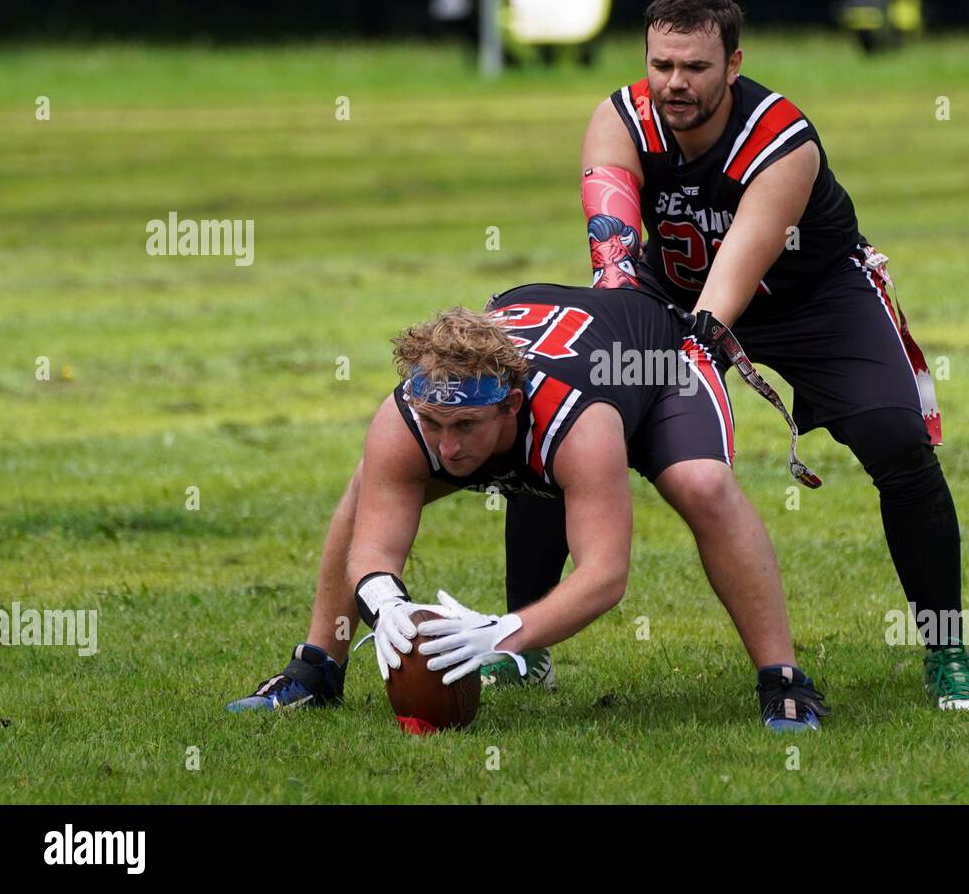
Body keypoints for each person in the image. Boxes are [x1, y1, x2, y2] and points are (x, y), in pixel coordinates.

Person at [503, 0, 969, 710]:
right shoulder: (619, 119)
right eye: (662, 64)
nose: (675, 82)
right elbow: (614, 260)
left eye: (695, 67)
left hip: (809, 299)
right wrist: (614, 349)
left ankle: (947, 647)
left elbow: (734, 277)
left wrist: (690, 339)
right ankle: (523, 644)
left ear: (733, 65)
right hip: (666, 293)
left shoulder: (781, 138)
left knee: (896, 441)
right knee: (559, 414)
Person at [226, 282, 830, 731]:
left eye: (465, 425)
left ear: (512, 406)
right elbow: (373, 546)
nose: (447, 446)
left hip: (655, 363)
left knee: (701, 484)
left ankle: (785, 681)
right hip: (551, 349)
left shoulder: (579, 423)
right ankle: (316, 669)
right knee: (368, 484)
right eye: (434, 423)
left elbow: (605, 575)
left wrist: (504, 633)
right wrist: (385, 607)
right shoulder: (407, 415)